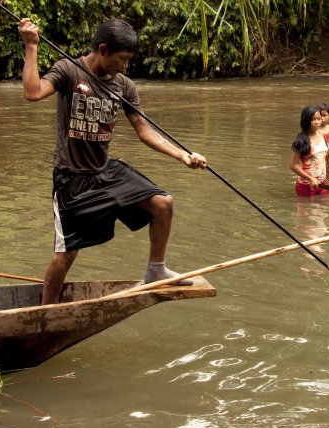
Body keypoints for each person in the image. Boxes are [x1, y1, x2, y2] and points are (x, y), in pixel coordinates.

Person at [18, 18, 207, 305]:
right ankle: (45, 311)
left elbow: (144, 130)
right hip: (72, 180)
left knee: (163, 203)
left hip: (106, 172)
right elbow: (33, 92)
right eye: (123, 59)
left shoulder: (124, 86)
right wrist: (31, 46)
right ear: (103, 49)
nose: (126, 66)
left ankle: (156, 270)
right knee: (65, 257)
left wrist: (183, 155)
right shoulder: (69, 70)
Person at [291, 105, 329, 196]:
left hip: (323, 182)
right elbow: (293, 165)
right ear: (306, 121)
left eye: (319, 119)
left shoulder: (321, 134)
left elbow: (324, 154)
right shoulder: (301, 140)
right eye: (313, 119)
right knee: (308, 205)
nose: (316, 122)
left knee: (326, 205)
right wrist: (310, 179)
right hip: (306, 185)